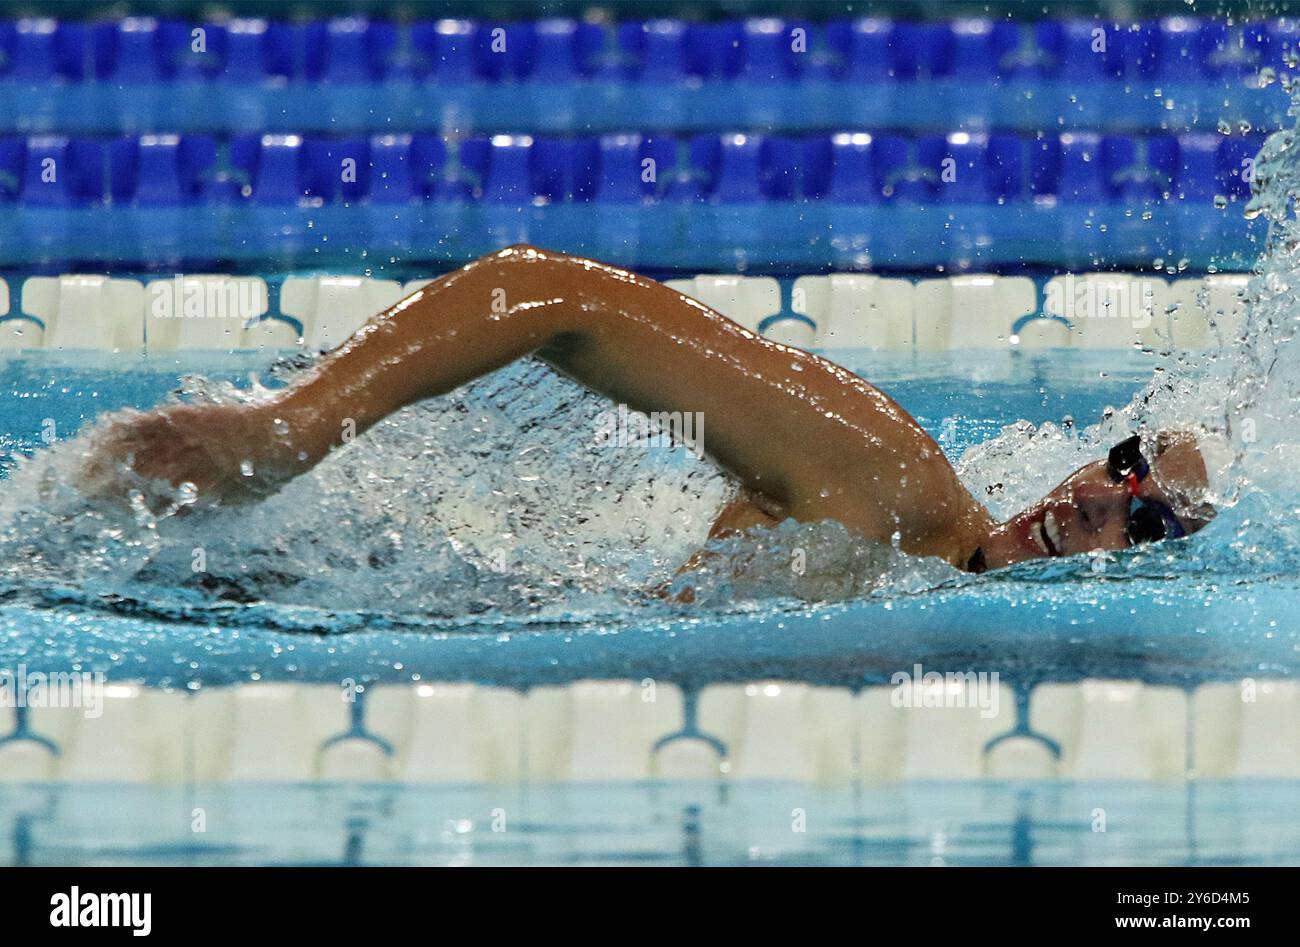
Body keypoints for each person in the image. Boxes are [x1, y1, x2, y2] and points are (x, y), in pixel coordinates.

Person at [77, 244, 1216, 574]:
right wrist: (295, 429)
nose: (1102, 511)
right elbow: (557, 295)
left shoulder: (928, 573)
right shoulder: (892, 482)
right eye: (1115, 484)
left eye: (1142, 527)